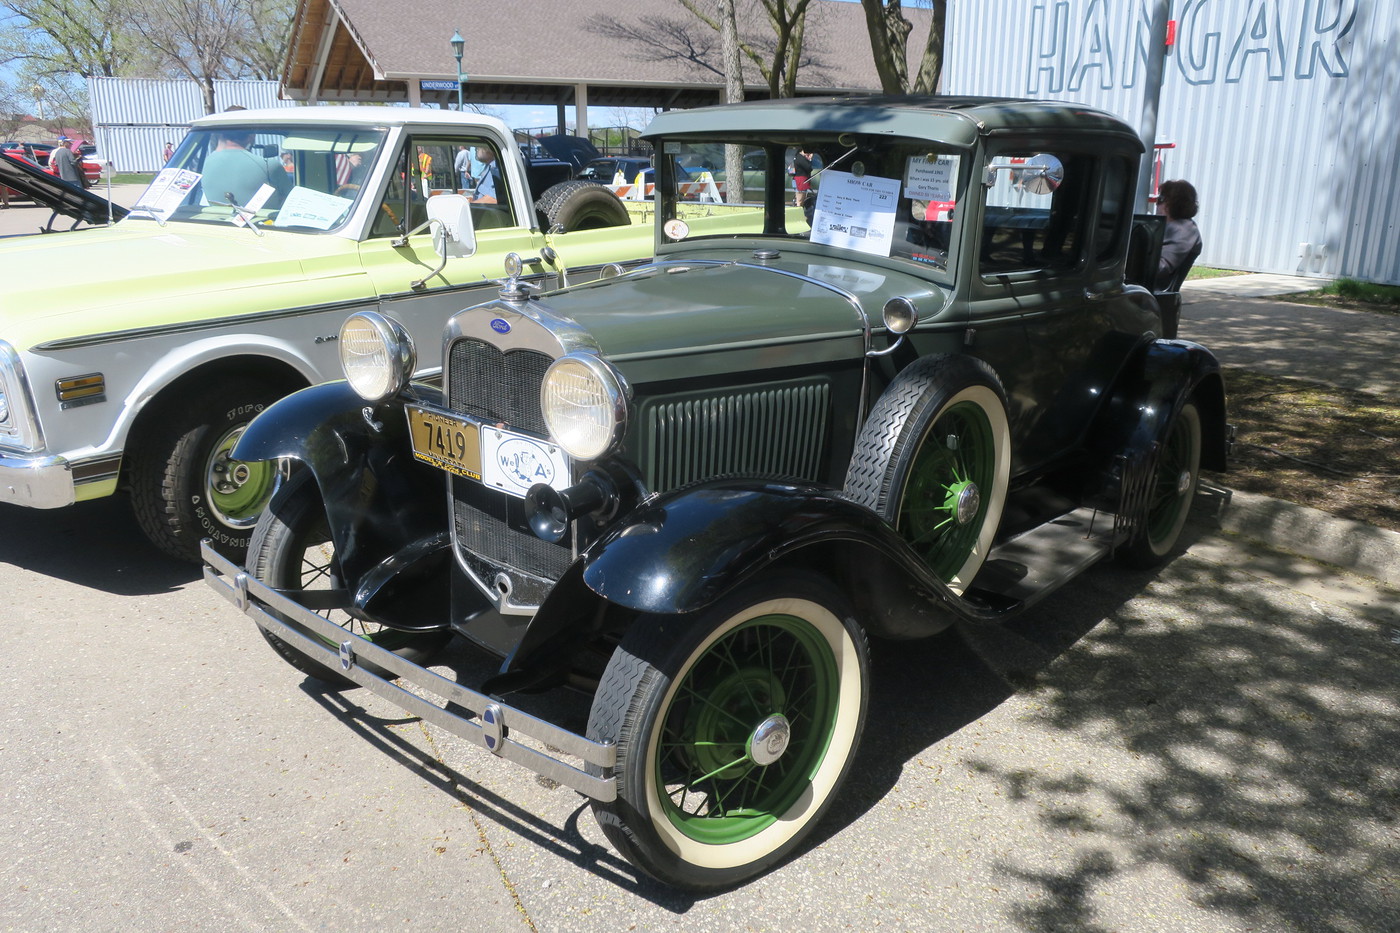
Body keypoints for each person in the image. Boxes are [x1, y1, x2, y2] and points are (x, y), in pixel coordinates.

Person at [201, 129, 286, 207]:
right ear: (252, 136)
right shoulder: (270, 166)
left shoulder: (202, 166)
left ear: (221, 136)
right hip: (261, 223)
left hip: (211, 222)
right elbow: (291, 201)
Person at [1156, 179, 1202, 290]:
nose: (1157, 204)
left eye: (1160, 199)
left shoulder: (1184, 230)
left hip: (1151, 298)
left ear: (1175, 203)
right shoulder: (1169, 227)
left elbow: (1161, 267)